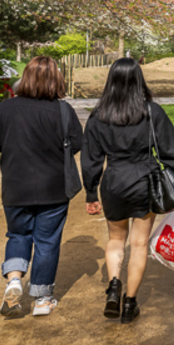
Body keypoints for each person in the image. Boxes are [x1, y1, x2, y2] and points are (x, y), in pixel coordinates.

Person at [82, 58, 174, 324]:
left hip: (114, 182)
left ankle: (113, 286)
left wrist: (91, 193)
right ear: (139, 80)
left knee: (116, 240)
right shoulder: (152, 112)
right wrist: (172, 178)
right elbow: (172, 151)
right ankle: (130, 303)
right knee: (139, 244)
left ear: (111, 81)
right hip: (144, 181)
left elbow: (91, 159)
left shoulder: (98, 115)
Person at [0, 56, 82, 317]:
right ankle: (42, 300)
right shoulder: (63, 110)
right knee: (47, 241)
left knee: (17, 235)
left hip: (15, 186)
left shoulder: (5, 108)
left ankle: (14, 280)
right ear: (57, 80)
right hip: (53, 188)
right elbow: (77, 144)